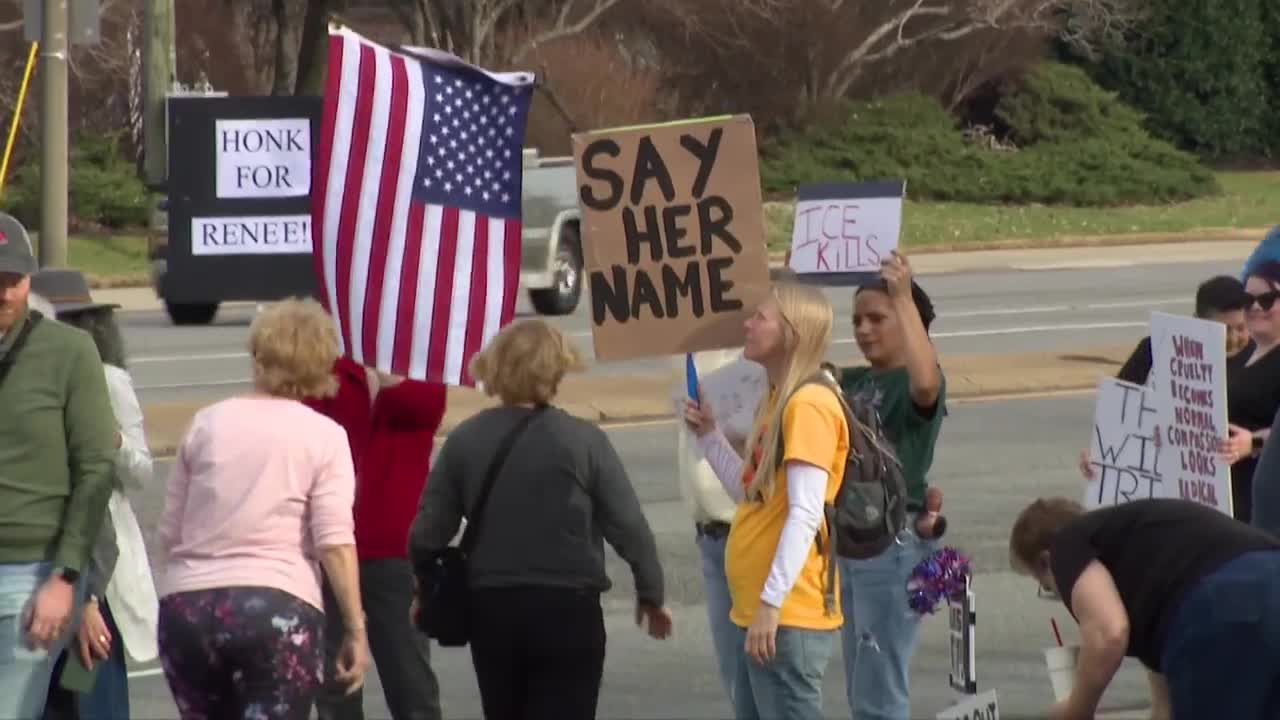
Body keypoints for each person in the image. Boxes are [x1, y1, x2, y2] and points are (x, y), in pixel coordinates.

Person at [409, 319, 671, 720]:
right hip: (569, 610)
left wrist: (423, 584)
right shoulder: (584, 441)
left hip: (493, 611)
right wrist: (651, 593)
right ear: (557, 370)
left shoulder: (464, 440)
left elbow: (427, 533)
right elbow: (629, 527)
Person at [156, 298, 369, 719]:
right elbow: (334, 542)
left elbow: (170, 529)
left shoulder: (206, 423)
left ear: (257, 355)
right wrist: (355, 626)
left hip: (189, 605)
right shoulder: (324, 436)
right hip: (276, 602)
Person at [684, 282, 849, 720]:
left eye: (761, 317)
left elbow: (806, 513)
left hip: (786, 616)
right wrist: (709, 436)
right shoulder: (777, 399)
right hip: (761, 610)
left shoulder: (809, 403)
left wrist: (772, 604)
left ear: (792, 333)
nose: (748, 324)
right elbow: (750, 494)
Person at [1009, 497, 1280, 719]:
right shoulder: (1141, 551)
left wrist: (1076, 710)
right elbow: (1165, 705)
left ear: (1045, 562)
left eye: (1046, 585)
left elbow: (1109, 634)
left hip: (1222, 607)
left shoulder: (1068, 544)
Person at [0, 215, 117, 719]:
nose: (4, 292)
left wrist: (68, 581)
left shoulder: (69, 352)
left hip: (30, 574)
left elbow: (96, 471)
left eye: (13, 280)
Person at [30, 271, 158, 720]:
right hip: (36, 577)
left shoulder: (108, 381)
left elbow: (140, 473)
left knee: (91, 696)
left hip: (97, 577)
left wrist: (112, 441)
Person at [837, 252, 946, 720]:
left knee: (879, 691)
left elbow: (926, 386)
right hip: (852, 539)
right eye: (856, 320)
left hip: (893, 543)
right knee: (862, 684)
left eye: (877, 318)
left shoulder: (915, 382)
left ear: (907, 320)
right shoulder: (855, 380)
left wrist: (903, 294)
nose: (863, 330)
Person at [306, 357, 445, 720]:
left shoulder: (420, 368)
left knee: (410, 682)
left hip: (394, 546)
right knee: (336, 686)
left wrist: (386, 374)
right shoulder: (328, 368)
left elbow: (424, 410)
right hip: (330, 545)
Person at [675, 349, 760, 704]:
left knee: (765, 681)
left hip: (744, 529)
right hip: (709, 533)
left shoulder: (754, 354)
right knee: (738, 682)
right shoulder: (693, 353)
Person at [1217, 261, 1280, 523]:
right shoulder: (1240, 355)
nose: (1255, 307)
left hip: (1263, 497)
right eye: (1248, 300)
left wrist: (1254, 442)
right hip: (1222, 492)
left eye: (1267, 300)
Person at [1112, 274, 1252, 385]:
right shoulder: (1156, 348)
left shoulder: (1260, 361)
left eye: (1241, 328)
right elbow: (1118, 401)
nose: (1233, 339)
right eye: (1223, 330)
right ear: (1197, 321)